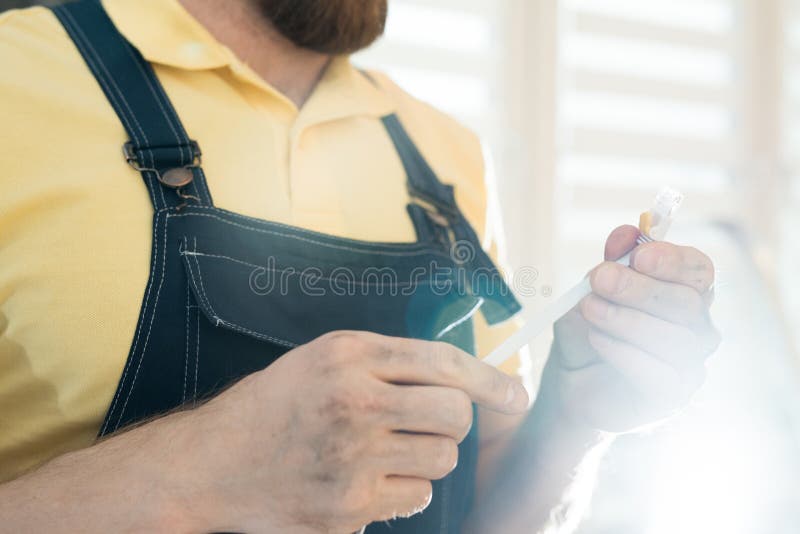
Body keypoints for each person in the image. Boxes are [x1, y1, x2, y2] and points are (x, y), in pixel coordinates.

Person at [0, 0, 719, 532]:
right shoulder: (15, 83)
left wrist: (574, 418)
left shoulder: (446, 155)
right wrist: (201, 463)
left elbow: (481, 511)